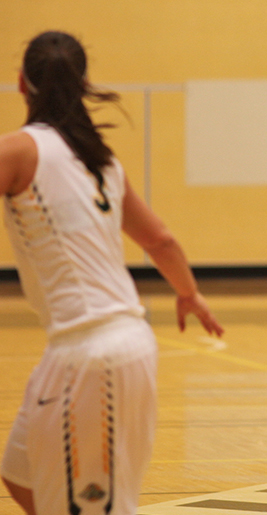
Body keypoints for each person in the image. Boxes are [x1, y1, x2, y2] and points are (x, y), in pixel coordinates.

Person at [0, 31, 224, 515]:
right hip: (97, 348)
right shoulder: (99, 160)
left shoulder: (17, 151)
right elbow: (160, 239)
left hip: (94, 355)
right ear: (83, 85)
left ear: (21, 83)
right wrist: (189, 294)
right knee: (20, 472)